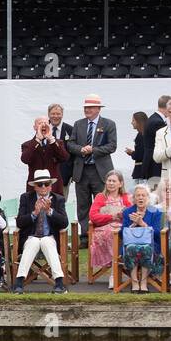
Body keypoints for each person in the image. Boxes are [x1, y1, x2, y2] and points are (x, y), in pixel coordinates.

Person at [66, 94, 117, 241]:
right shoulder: (78, 124)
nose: (87, 110)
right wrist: (81, 149)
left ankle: (103, 233)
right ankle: (85, 235)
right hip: (82, 170)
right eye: (86, 107)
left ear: (98, 109)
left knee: (102, 203)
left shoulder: (109, 124)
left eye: (90, 107)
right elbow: (71, 144)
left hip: (100, 171)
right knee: (83, 204)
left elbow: (112, 146)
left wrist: (93, 150)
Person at [11, 170, 69, 295]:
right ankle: (19, 282)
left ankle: (59, 283)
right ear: (35, 186)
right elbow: (19, 222)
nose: (43, 187)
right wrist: (34, 214)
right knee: (32, 243)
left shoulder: (58, 199)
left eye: (46, 184)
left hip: (50, 236)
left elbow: (64, 223)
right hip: (31, 236)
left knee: (47, 243)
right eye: (40, 184)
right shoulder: (26, 198)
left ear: (51, 186)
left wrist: (50, 211)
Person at [88, 171, 129, 288]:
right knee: (111, 234)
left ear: (120, 183)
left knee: (117, 233)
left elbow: (132, 213)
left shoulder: (126, 197)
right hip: (104, 229)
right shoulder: (101, 197)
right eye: (109, 180)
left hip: (122, 228)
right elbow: (93, 216)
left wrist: (123, 214)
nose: (111, 183)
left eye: (114, 181)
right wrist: (112, 216)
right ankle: (114, 274)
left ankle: (117, 272)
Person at [120, 185, 164, 294]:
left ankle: (143, 281)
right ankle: (135, 281)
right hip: (130, 244)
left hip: (152, 244)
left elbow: (158, 234)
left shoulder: (156, 212)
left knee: (145, 248)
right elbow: (122, 233)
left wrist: (142, 224)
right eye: (138, 195)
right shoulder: (127, 212)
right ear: (133, 199)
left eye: (143, 195)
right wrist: (134, 223)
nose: (140, 198)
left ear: (148, 198)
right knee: (131, 248)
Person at [21, 116, 69, 195]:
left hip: (54, 187)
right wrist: (37, 140)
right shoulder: (27, 145)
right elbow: (25, 159)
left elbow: (64, 157)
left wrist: (51, 140)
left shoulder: (58, 143)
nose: (43, 125)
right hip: (35, 186)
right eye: (40, 123)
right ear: (34, 127)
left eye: (46, 123)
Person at [141, 94, 170, 185]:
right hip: (155, 164)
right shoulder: (157, 122)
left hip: (151, 161)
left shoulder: (154, 118)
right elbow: (166, 141)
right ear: (167, 107)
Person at [47, 103, 76, 187]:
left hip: (64, 174)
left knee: (62, 199)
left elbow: (73, 152)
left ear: (62, 114)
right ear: (48, 114)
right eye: (53, 113)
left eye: (58, 114)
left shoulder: (70, 130)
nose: (55, 116)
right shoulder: (43, 128)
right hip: (46, 174)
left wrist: (71, 172)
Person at [126, 111, 150, 183]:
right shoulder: (147, 134)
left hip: (140, 171)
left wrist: (132, 153)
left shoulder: (141, 135)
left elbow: (140, 155)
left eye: (133, 120)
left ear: (139, 121)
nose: (131, 122)